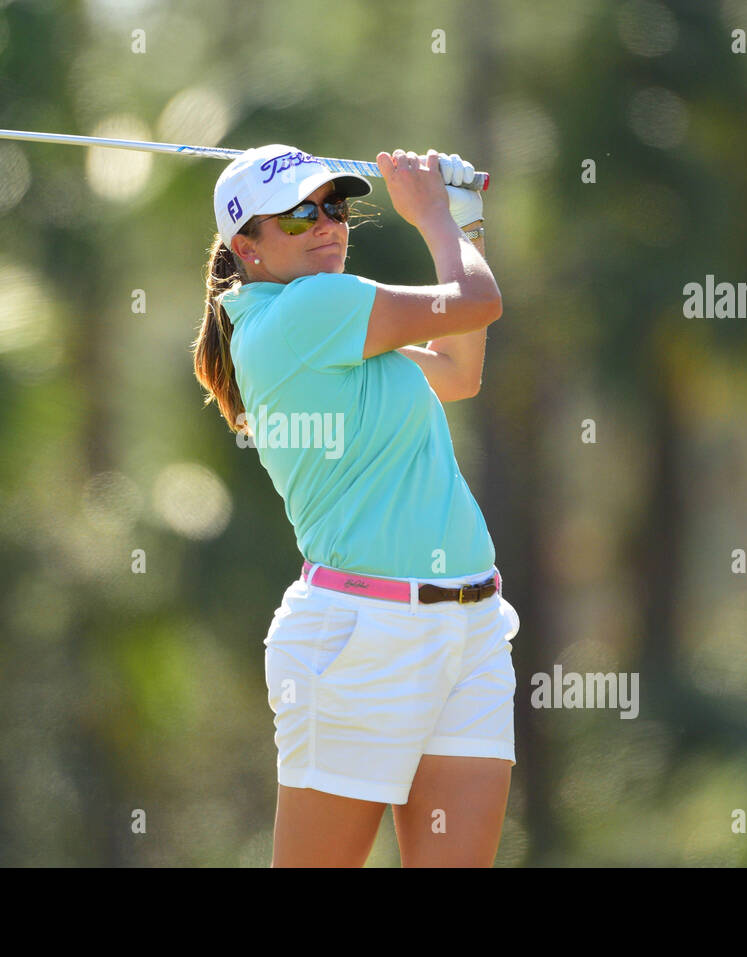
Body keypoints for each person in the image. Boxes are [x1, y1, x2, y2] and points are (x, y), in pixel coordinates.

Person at [192, 144, 520, 867]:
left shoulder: (326, 319)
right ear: (246, 247)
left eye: (334, 206)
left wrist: (465, 222)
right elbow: (478, 302)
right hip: (362, 639)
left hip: (470, 627)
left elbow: (458, 370)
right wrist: (435, 216)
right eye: (298, 215)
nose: (325, 224)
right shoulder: (313, 308)